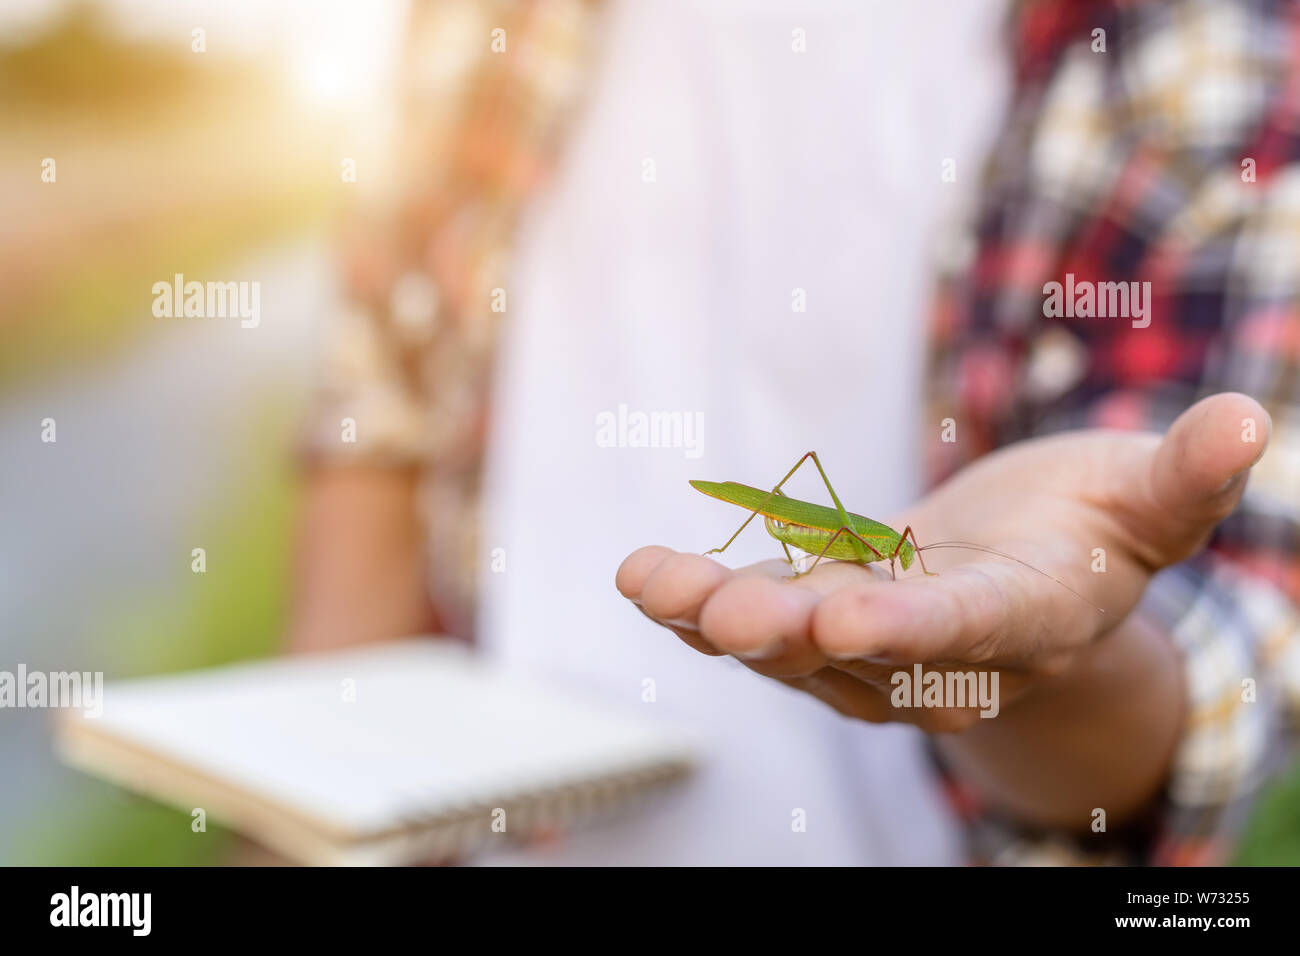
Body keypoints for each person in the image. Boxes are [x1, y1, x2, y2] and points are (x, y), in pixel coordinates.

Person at [293, 0, 1300, 864]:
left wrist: (1052, 655)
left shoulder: (1200, 44)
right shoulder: (487, 27)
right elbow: (381, 401)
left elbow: (1202, 682)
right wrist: (294, 807)